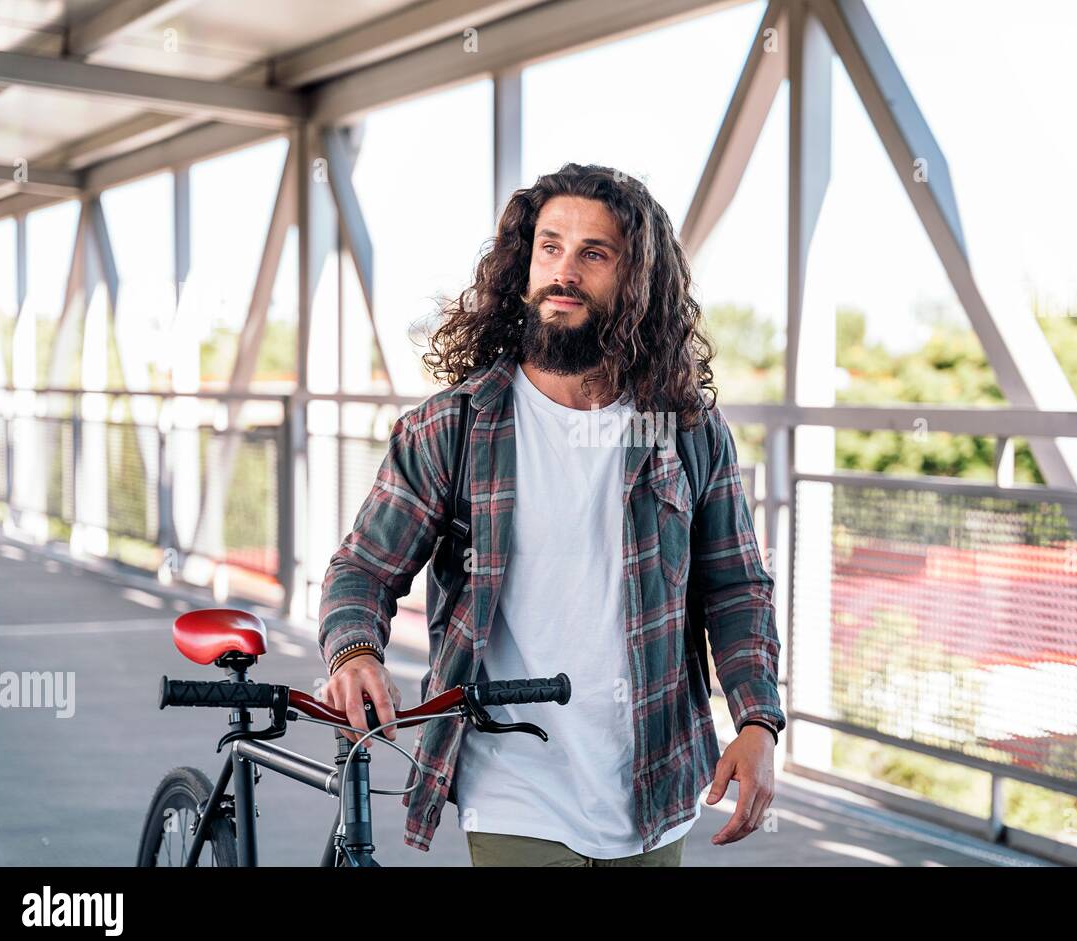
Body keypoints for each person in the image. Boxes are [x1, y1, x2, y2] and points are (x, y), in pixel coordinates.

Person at [318, 162, 785, 867]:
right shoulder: (455, 428)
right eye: (550, 247)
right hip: (514, 782)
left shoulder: (683, 429)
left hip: (653, 785)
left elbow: (736, 587)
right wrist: (354, 650)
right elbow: (363, 569)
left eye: (593, 254)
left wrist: (757, 720)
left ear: (636, 283)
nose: (564, 272)